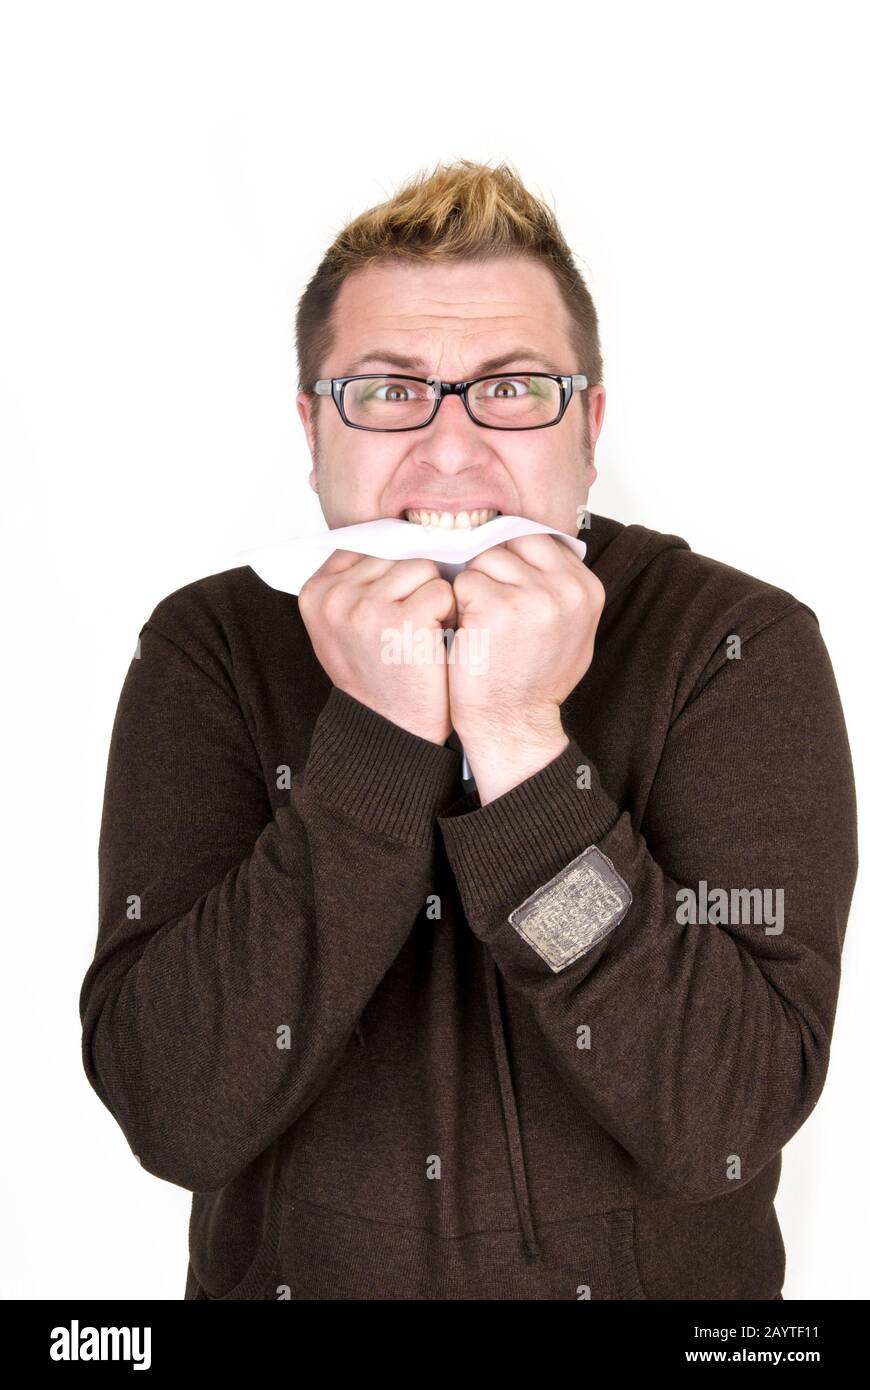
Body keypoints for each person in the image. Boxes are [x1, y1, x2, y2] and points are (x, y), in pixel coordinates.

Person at [79, 158, 857, 1300]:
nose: (450, 450)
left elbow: (722, 1122)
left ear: (589, 424)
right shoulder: (209, 646)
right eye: (390, 390)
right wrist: (377, 745)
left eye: (511, 387)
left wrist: (518, 738)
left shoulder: (738, 645)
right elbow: (173, 1113)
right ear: (312, 428)